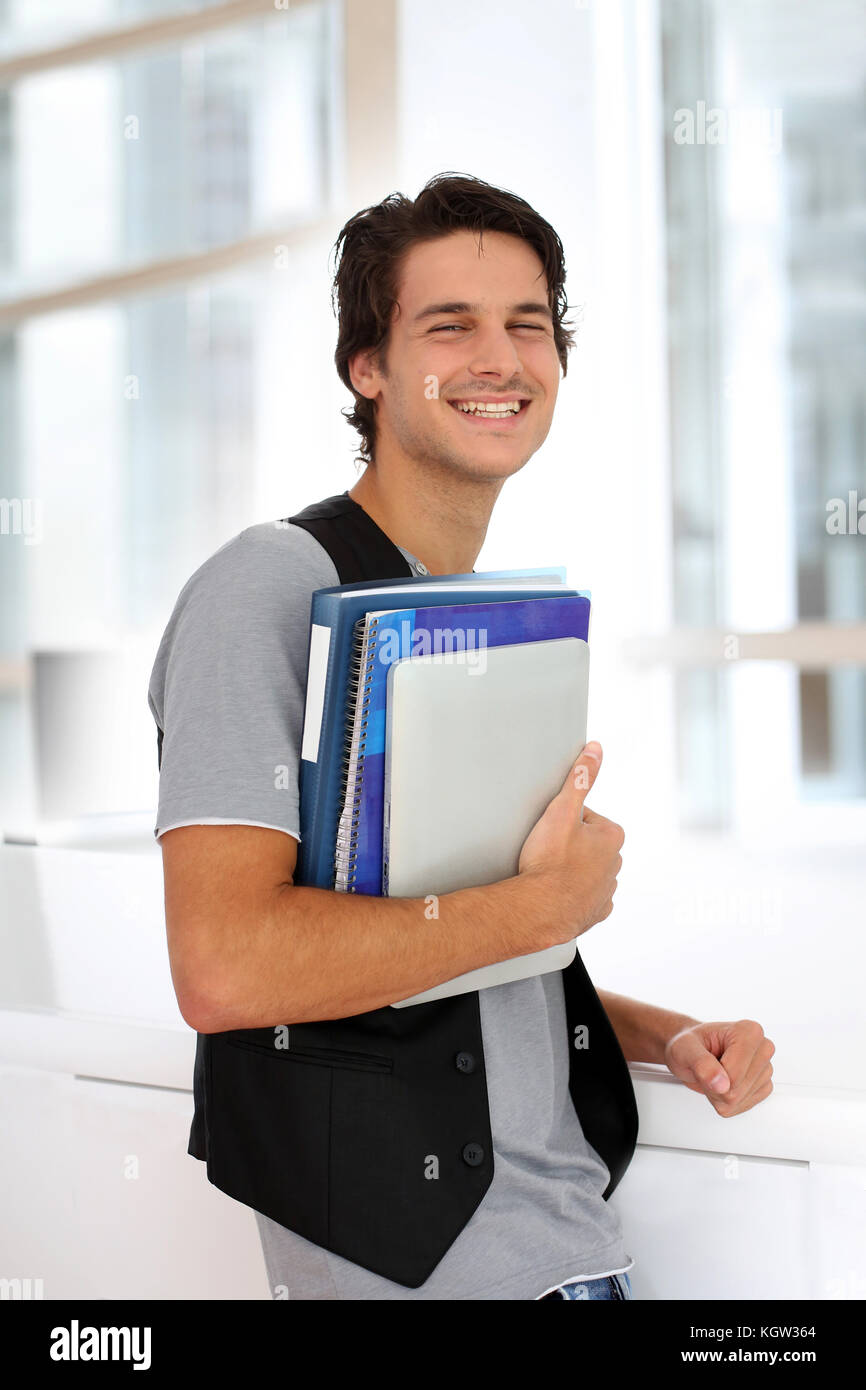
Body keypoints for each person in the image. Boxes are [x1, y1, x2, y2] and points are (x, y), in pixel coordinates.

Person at [148, 172, 775, 1301]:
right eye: (450, 326)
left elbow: (446, 954)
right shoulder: (266, 589)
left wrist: (652, 1032)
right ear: (368, 368)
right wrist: (544, 905)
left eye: (526, 326)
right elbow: (228, 965)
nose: (499, 358)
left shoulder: (475, 613)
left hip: (573, 1248)